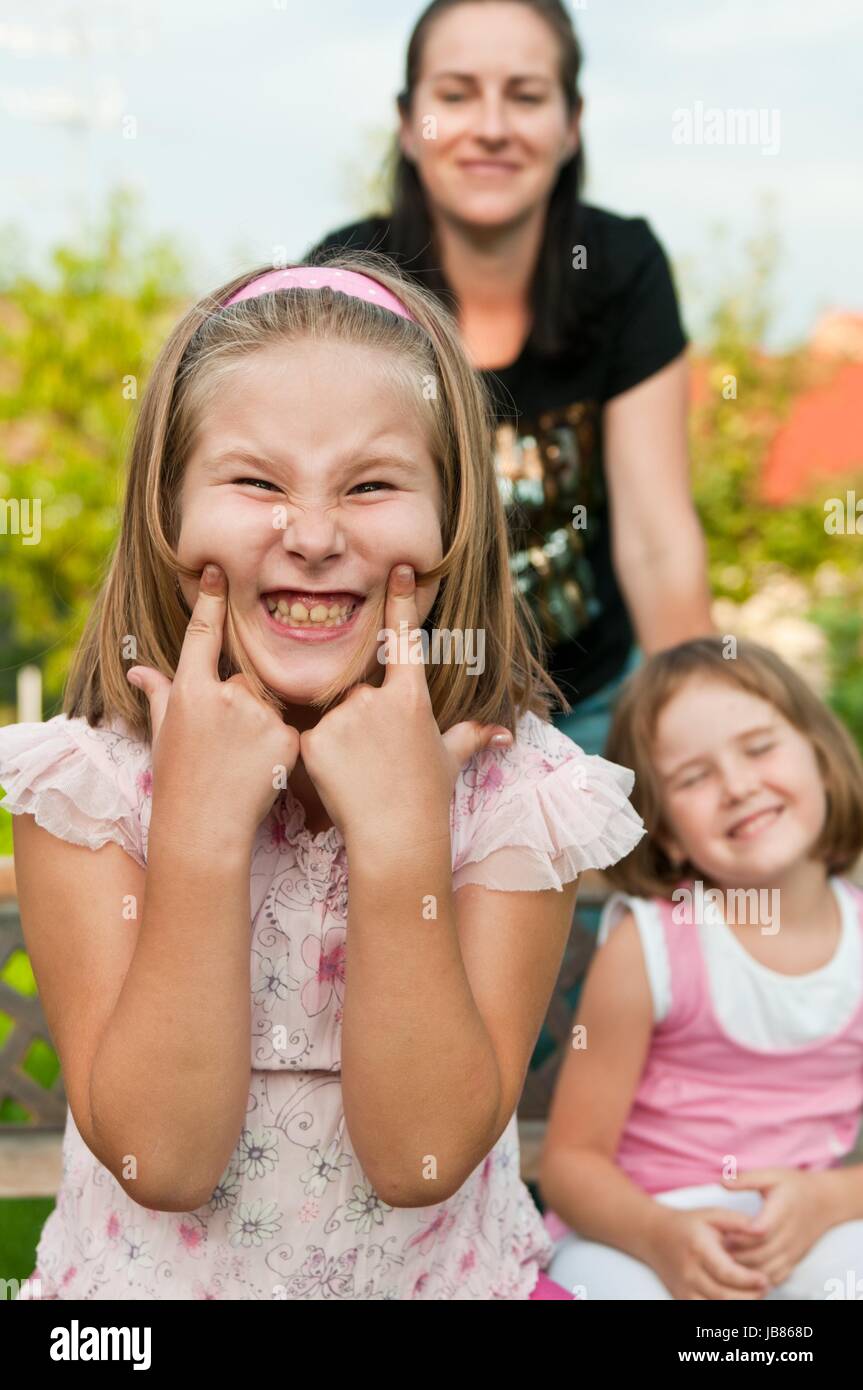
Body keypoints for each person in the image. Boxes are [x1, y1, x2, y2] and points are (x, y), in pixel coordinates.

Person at [0, 259, 647, 1300]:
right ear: (167, 517)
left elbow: (419, 1159)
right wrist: (202, 832)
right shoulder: (88, 787)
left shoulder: (517, 793)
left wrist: (399, 838)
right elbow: (160, 1163)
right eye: (255, 481)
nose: (310, 534)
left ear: (450, 527)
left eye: (372, 483)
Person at [306, 0, 715, 761]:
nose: (490, 126)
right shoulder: (347, 277)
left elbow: (658, 539)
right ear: (408, 122)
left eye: (525, 96)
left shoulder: (621, 266)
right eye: (455, 95)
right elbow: (320, 521)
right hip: (397, 708)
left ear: (570, 125)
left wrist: (695, 728)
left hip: (592, 704)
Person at [538, 636, 863, 1299]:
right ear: (667, 833)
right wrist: (660, 1237)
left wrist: (828, 1199)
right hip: (641, 1229)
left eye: (758, 747)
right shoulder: (653, 946)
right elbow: (569, 1166)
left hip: (804, 1225)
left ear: (821, 760)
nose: (740, 786)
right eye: (693, 778)